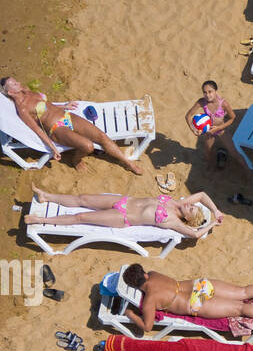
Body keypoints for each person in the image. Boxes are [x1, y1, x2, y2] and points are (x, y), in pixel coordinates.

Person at [0, 76, 144, 174]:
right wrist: (53, 148)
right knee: (88, 146)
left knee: (101, 136)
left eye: (16, 81)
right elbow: (37, 130)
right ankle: (76, 160)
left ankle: (128, 162)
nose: (18, 83)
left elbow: (48, 105)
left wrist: (65, 106)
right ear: (10, 92)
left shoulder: (27, 91)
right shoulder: (23, 109)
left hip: (67, 116)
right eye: (14, 84)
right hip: (57, 129)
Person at [112, 263, 253, 332]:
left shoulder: (150, 301)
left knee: (239, 308)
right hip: (199, 285)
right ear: (145, 274)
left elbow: (148, 327)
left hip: (195, 303)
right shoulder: (153, 273)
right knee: (243, 292)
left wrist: (131, 315)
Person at [26, 186, 221, 238]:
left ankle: (40, 219)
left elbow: (195, 234)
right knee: (83, 198)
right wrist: (216, 211)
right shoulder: (177, 202)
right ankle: (47, 196)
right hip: (123, 201)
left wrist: (212, 223)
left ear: (188, 219)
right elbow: (203, 194)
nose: (191, 206)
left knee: (81, 217)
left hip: (123, 217)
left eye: (192, 210)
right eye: (193, 206)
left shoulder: (175, 223)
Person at [185, 80, 235, 169]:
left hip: (221, 130)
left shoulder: (223, 104)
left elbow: (232, 118)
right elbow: (188, 116)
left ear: (215, 91)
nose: (207, 95)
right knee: (208, 152)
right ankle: (211, 167)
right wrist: (193, 129)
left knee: (233, 151)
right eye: (204, 92)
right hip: (208, 132)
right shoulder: (202, 102)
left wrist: (218, 128)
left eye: (210, 92)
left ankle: (248, 172)